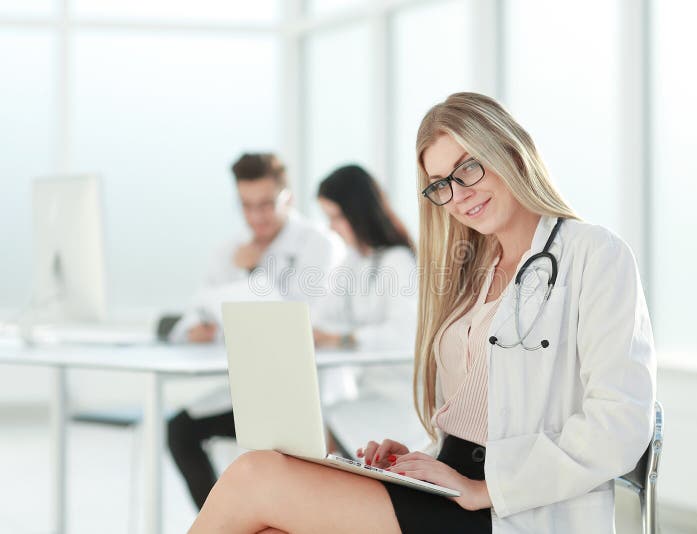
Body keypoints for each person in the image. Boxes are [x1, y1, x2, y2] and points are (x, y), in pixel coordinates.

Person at [188, 92, 656, 534]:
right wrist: (416, 460)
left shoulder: (595, 254)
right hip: (449, 481)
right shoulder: (474, 275)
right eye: (442, 184)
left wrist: (484, 487)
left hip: (509, 507)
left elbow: (620, 423)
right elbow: (478, 414)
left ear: (510, 152)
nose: (459, 193)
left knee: (255, 473)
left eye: (468, 168)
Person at [167, 152, 344, 510]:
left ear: (288, 197)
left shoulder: (318, 245)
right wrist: (193, 329)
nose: (256, 217)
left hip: (303, 393)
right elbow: (196, 308)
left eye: (266, 204)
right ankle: (221, 522)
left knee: (277, 461)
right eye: (246, 206)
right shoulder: (230, 250)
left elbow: (294, 323)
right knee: (179, 430)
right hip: (251, 392)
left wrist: (251, 274)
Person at [313, 164, 425, 453]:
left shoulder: (397, 260)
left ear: (357, 213)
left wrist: (340, 340)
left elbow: (404, 333)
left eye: (336, 217)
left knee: (321, 430)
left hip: (402, 401)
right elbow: (323, 316)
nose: (331, 227)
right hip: (369, 393)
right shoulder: (353, 262)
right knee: (315, 425)